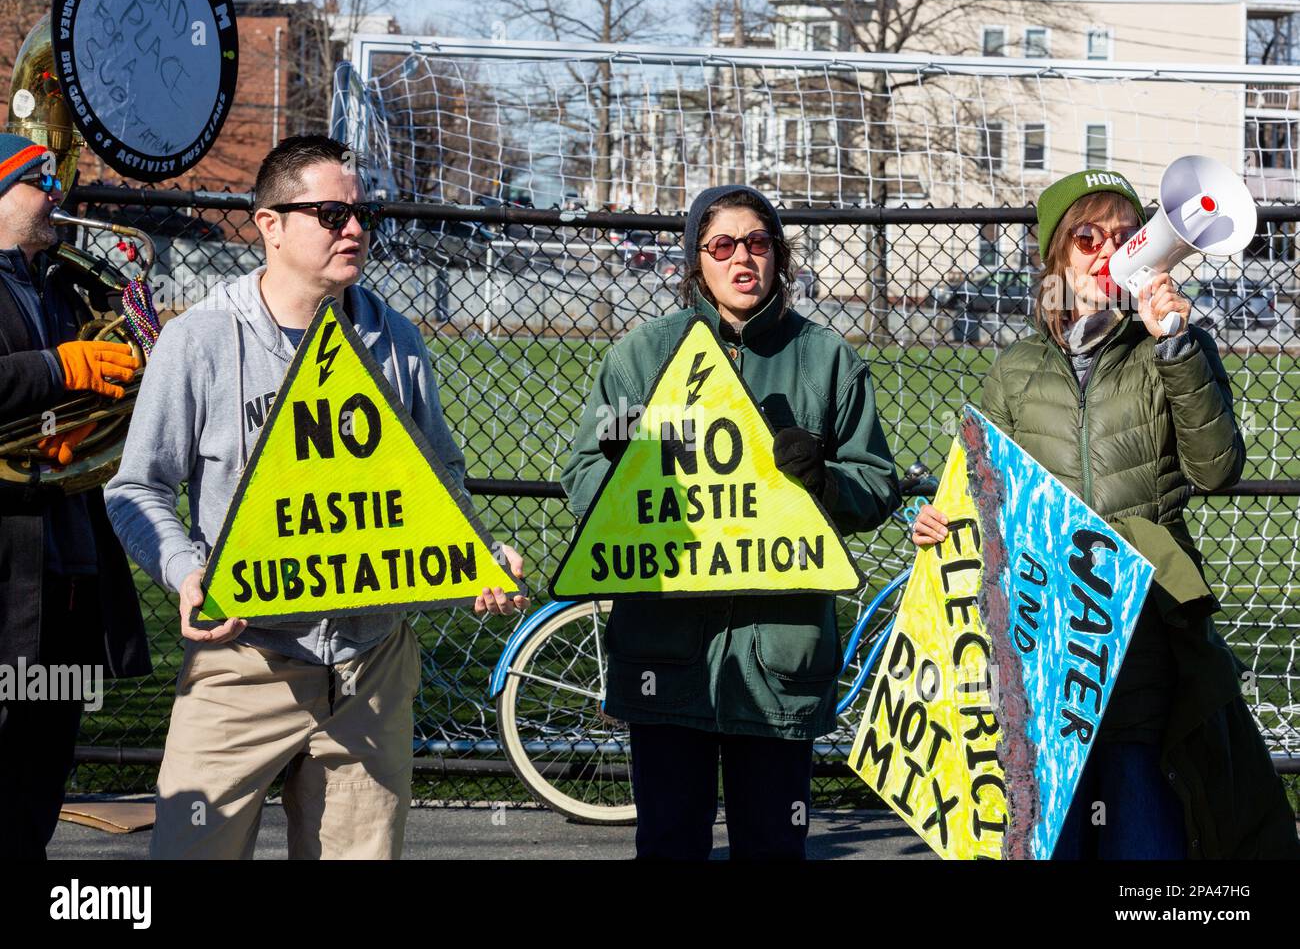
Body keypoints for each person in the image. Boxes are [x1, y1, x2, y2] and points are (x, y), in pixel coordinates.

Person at [104, 135, 528, 860]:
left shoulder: (395, 339)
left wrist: (477, 553)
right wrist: (184, 571)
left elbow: (439, 476)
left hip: (371, 666)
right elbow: (136, 487)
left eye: (365, 214)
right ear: (270, 225)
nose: (355, 229)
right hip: (243, 660)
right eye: (332, 214)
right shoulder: (201, 340)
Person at [911, 168, 1300, 859]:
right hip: (1045, 659)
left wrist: (1175, 346)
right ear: (1056, 256)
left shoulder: (1171, 349)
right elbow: (977, 493)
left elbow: (1216, 469)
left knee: (1143, 841)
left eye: (1125, 236)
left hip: (1144, 647)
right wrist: (938, 523)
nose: (1108, 252)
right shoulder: (1015, 371)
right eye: (1087, 238)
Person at [562, 184, 901, 859]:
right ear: (697, 260)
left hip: (780, 657)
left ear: (778, 255)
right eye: (722, 245)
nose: (742, 258)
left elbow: (877, 482)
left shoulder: (826, 358)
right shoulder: (641, 356)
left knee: (774, 843)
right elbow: (581, 475)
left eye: (757, 242)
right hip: (663, 653)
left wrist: (824, 481)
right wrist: (626, 478)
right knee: (668, 842)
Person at [0, 133, 150, 859]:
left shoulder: (68, 284)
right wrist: (60, 371)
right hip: (8, 567)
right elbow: (53, 376)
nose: (56, 195)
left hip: (72, 568)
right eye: (38, 182)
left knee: (46, 750)